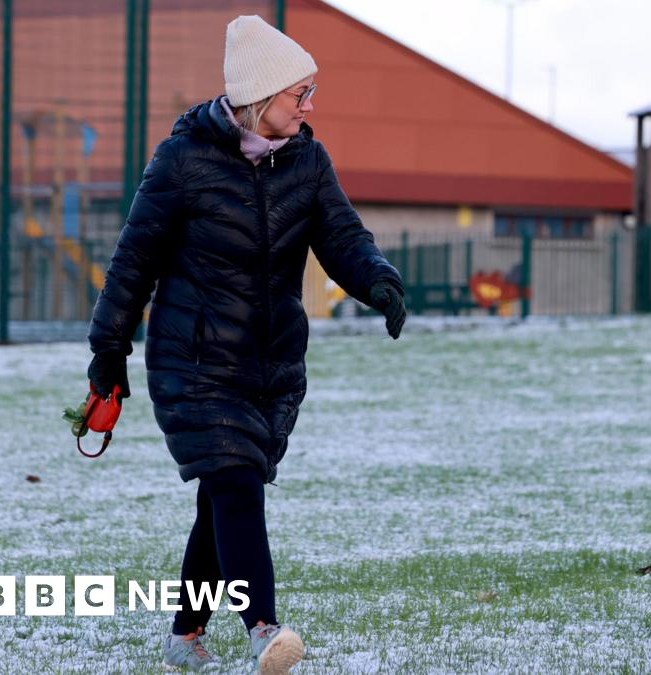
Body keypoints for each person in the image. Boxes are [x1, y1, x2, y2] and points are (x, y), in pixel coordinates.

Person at [86, 15, 406, 673]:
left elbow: (342, 235)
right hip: (193, 361)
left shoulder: (308, 162)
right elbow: (134, 260)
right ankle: (264, 628)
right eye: (300, 93)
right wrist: (109, 350)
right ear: (261, 96)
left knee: (221, 497)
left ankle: (183, 637)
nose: (310, 105)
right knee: (234, 484)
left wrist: (378, 281)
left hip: (270, 364)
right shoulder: (182, 160)